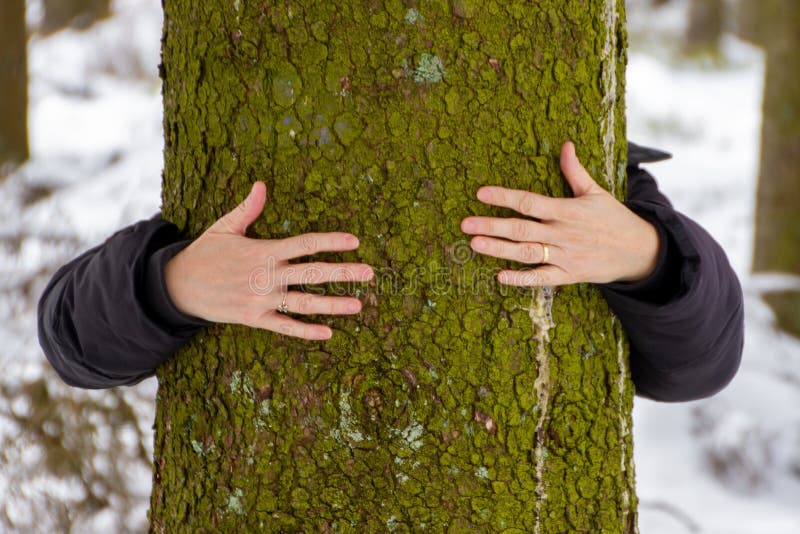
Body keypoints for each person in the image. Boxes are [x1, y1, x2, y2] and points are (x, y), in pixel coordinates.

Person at [37, 141, 743, 402]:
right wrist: (172, 283)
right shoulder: (238, 156)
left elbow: (701, 367)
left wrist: (650, 257)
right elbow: (71, 341)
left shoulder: (600, 176)